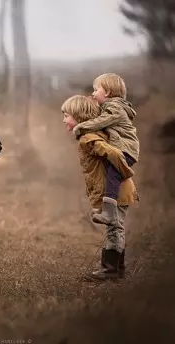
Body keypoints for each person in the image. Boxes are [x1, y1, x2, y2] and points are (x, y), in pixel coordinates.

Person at [61, 95, 139, 280]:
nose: (64, 119)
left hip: (116, 191)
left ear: (79, 117)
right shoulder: (90, 136)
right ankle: (116, 269)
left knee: (114, 228)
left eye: (66, 115)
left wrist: (125, 170)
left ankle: (110, 270)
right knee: (116, 227)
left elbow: (112, 153)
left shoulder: (88, 138)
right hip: (116, 190)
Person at [72, 73, 139, 227]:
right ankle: (107, 210)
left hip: (125, 150)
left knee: (113, 175)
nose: (93, 94)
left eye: (96, 90)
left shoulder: (114, 108)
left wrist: (80, 127)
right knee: (110, 174)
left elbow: (101, 121)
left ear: (107, 92)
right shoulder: (111, 108)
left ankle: (109, 213)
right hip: (123, 148)